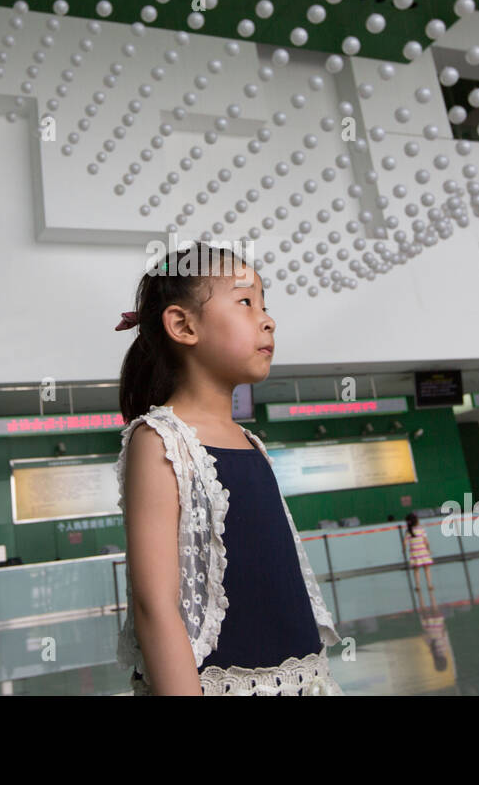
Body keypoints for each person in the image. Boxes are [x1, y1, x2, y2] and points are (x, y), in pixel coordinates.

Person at [113, 241, 343, 695]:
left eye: (264, 305)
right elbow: (155, 606)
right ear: (182, 324)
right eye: (245, 302)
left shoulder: (250, 443)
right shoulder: (161, 440)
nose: (267, 318)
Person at [403, 512, 435, 604]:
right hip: (423, 551)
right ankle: (429, 584)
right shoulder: (421, 529)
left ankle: (418, 586)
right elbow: (426, 541)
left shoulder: (408, 531)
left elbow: (405, 542)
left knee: (416, 570)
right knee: (427, 568)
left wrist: (404, 550)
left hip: (414, 552)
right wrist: (429, 550)